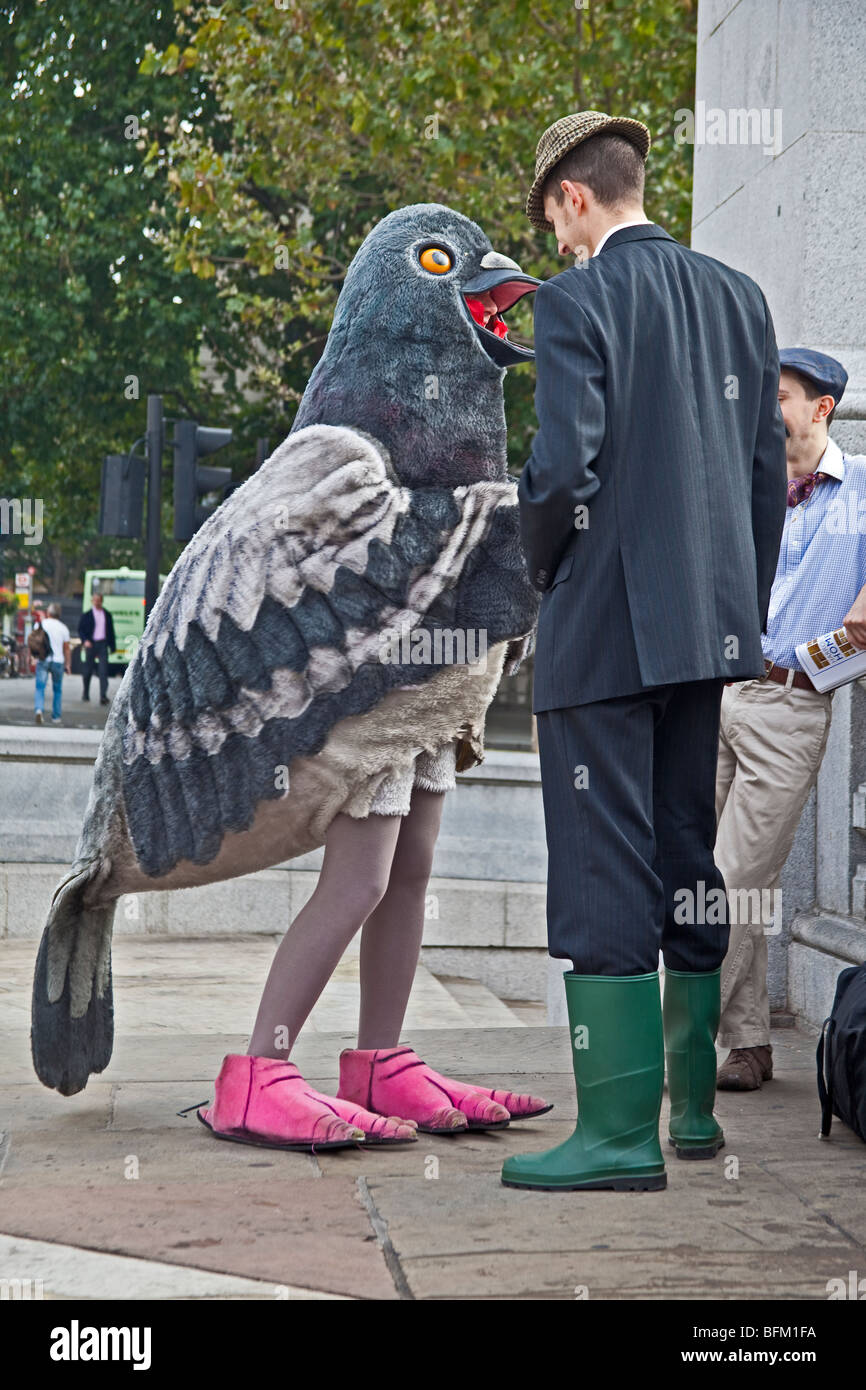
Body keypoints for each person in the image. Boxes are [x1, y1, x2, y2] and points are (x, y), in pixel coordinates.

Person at [32, 204, 552, 1146]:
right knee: (360, 879)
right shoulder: (335, 457)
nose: (478, 286)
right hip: (352, 716)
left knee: (411, 870)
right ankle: (260, 1070)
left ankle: (382, 1061)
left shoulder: (461, 460)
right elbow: (336, 586)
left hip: (406, 713)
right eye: (444, 266)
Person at [503, 110, 788, 1193]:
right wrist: (738, 610)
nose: (556, 250)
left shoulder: (574, 303)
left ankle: (615, 1137)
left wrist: (535, 571)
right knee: (685, 853)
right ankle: (693, 1116)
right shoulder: (738, 299)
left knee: (598, 868)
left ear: (573, 198)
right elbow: (763, 478)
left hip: (605, 625)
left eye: (552, 226)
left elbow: (561, 470)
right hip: (706, 629)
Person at [715, 350, 866, 1090]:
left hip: (790, 706)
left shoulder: (864, 489)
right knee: (712, 875)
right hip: (717, 695)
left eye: (778, 397)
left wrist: (816, 663)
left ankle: (662, 1039)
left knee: (733, 875)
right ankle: (747, 1042)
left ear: (821, 408)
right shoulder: (748, 487)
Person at [34, 602, 71, 727]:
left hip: (43, 660)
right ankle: (56, 716)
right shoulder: (63, 628)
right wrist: (68, 664)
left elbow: (35, 643)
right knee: (57, 689)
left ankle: (39, 710)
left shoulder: (40, 625)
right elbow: (66, 648)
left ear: (48, 613)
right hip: (58, 661)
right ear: (59, 615)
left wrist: (33, 658)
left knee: (40, 687)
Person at [78, 590, 115, 706]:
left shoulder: (107, 614)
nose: (97, 603)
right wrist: (85, 641)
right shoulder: (87, 615)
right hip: (91, 644)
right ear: (92, 601)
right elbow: (80, 630)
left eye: (99, 601)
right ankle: (85, 693)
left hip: (103, 644)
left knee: (103, 671)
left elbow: (111, 631)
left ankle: (103, 696)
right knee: (87, 670)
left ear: (102, 601)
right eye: (95, 601)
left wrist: (113, 646)